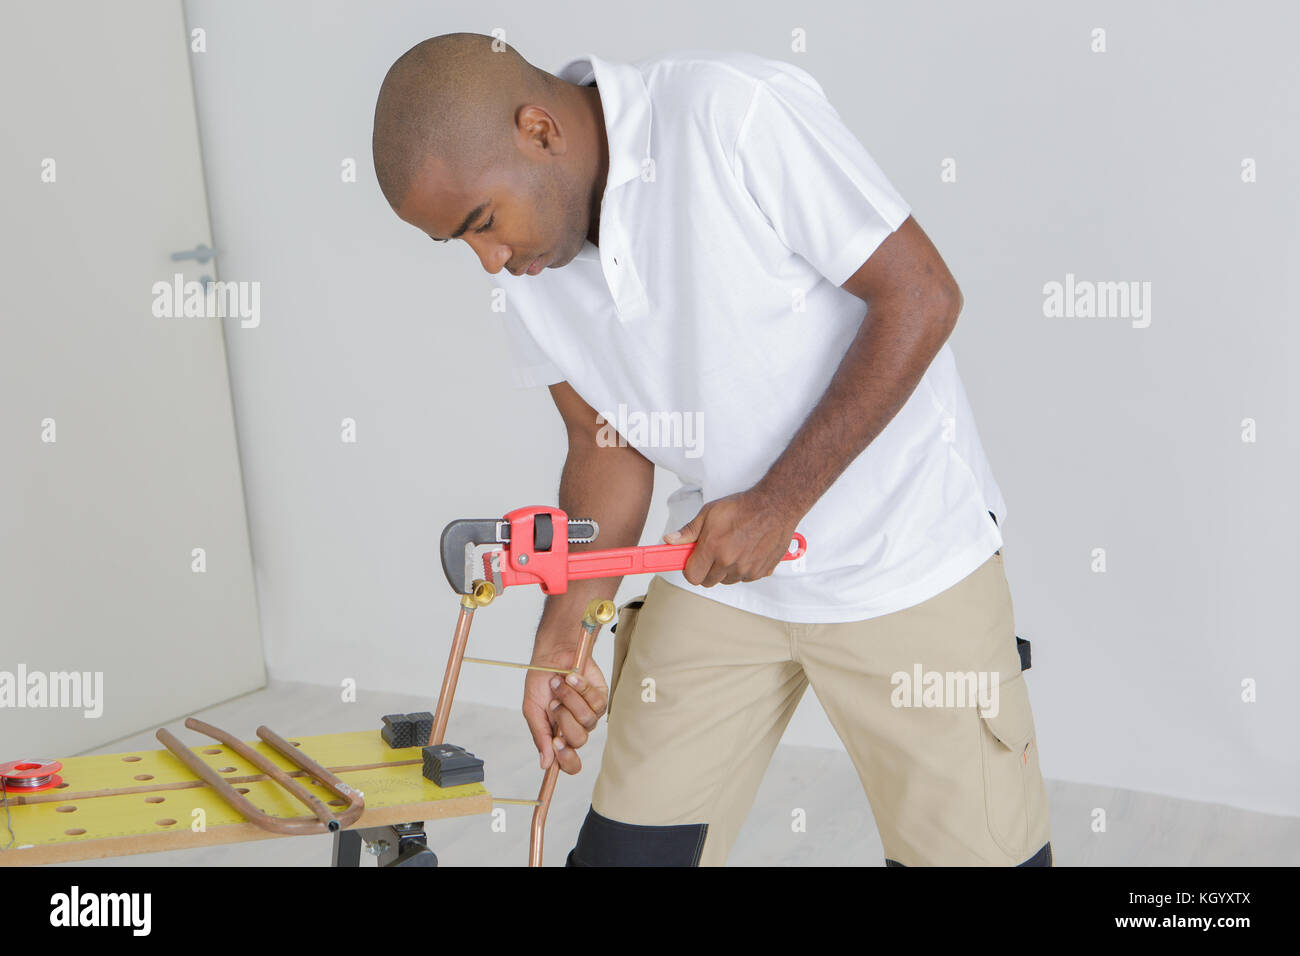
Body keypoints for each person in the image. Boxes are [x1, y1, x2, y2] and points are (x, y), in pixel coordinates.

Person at [372, 32, 1052, 866]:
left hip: (903, 559)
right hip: (720, 575)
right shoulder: (531, 264)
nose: (490, 261)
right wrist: (563, 633)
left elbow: (920, 296)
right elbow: (603, 443)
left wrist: (777, 504)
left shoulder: (731, 116)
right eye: (462, 244)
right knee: (627, 859)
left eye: (482, 224)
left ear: (539, 131)